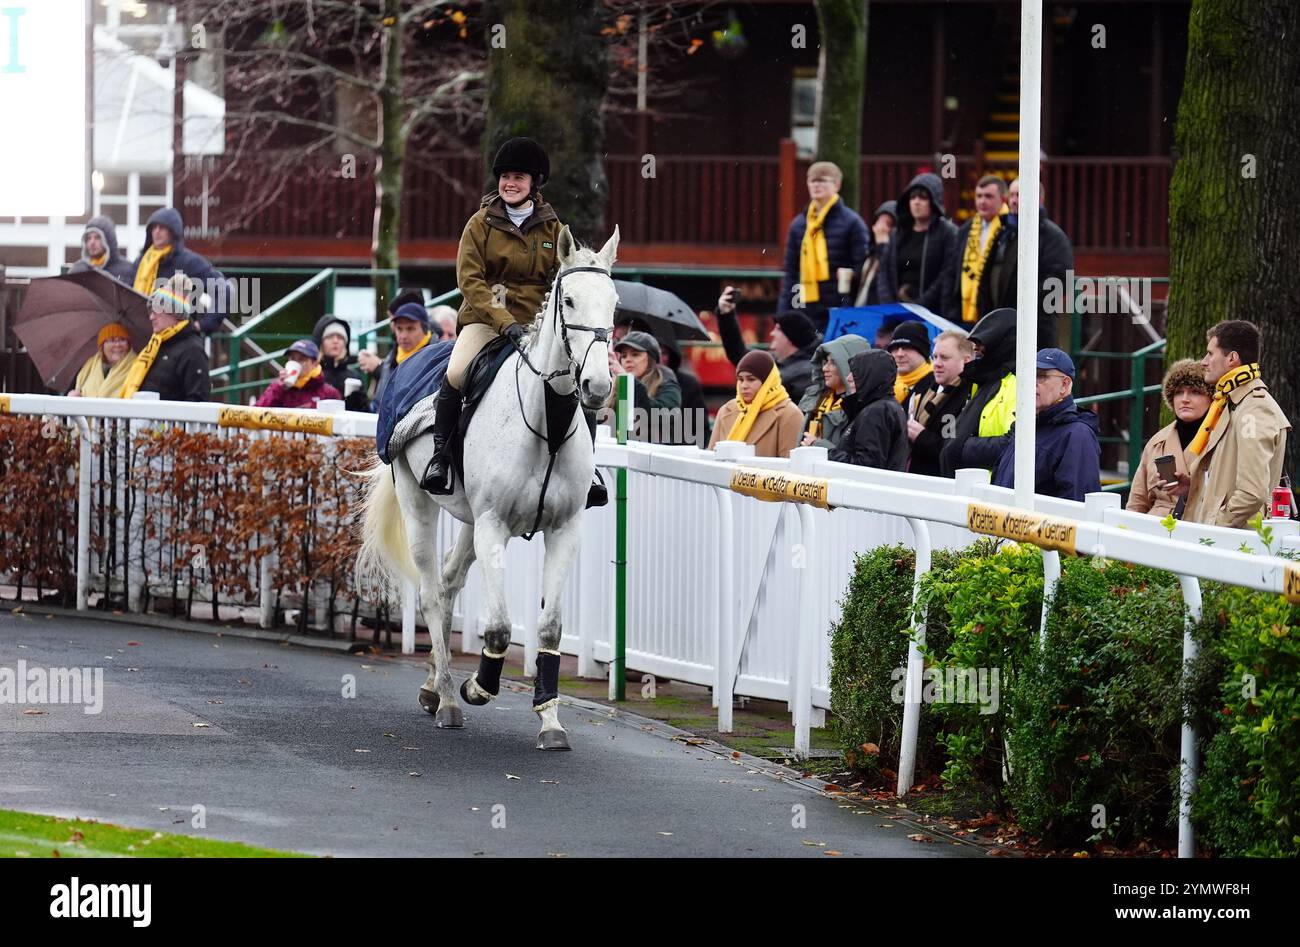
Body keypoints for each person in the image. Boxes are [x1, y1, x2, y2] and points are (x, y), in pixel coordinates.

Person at [419, 138, 600, 500]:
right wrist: (504, 322)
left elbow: (565, 279)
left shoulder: (553, 228)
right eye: (504, 177)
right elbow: (469, 281)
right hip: (486, 321)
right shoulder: (479, 224)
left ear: (535, 183)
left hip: (538, 325)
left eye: (518, 177)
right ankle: (440, 457)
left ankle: (588, 469)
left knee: (576, 380)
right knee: (455, 373)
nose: (510, 183)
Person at [1164, 320, 1291, 528]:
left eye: (1210, 354)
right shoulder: (1229, 403)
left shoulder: (1254, 408)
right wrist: (1193, 487)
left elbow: (1252, 493)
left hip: (1233, 546)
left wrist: (1214, 529)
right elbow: (1226, 483)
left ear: (1232, 358)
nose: (1204, 362)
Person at [977, 177, 1075, 349]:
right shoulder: (1004, 233)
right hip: (1000, 328)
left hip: (1035, 330)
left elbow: (1059, 281)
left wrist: (1022, 308)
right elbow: (987, 277)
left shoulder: (1052, 237)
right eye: (1012, 195)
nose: (1014, 200)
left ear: (1039, 199)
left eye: (1020, 195)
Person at [991, 349, 1100, 501]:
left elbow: (1077, 503)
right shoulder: (1026, 427)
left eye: (1041, 376)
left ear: (1065, 384)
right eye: (1029, 374)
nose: (1032, 382)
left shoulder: (1077, 435)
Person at [776, 161, 870, 331]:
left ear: (837, 185)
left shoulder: (852, 222)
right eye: (812, 181)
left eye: (823, 180)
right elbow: (790, 271)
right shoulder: (799, 225)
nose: (817, 185)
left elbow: (862, 267)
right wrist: (783, 311)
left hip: (839, 305)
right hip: (804, 303)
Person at [1126, 359, 1212, 518]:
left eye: (1195, 391)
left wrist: (1192, 488)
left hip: (1200, 530)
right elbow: (1137, 503)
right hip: (1155, 530)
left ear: (1211, 398)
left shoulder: (1221, 438)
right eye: (1179, 392)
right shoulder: (1156, 442)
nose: (1185, 399)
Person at [939, 306, 1018, 477]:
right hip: (967, 487)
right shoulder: (981, 381)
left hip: (991, 493)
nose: (976, 349)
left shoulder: (1018, 385)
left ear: (1002, 343)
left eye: (982, 344)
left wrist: (963, 446)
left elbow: (1014, 444)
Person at [131, 207, 232, 334]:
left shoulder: (190, 262)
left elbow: (224, 290)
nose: (157, 232)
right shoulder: (141, 263)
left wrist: (203, 325)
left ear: (173, 232)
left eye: (162, 227)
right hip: (143, 336)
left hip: (178, 340)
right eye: (154, 227)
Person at [715, 287, 819, 403]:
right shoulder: (774, 359)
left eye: (778, 329)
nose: (772, 333)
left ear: (791, 338)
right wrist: (726, 314)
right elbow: (738, 353)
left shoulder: (808, 373)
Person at [876, 172, 958, 319]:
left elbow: (947, 274)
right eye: (912, 197)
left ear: (933, 201)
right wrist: (890, 306)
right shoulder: (898, 233)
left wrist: (921, 305)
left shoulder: (948, 233)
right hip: (897, 311)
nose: (916, 202)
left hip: (934, 312)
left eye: (922, 197)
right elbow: (884, 272)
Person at [118, 275, 211, 402]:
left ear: (174, 312)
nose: (151, 317)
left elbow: (199, 399)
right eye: (150, 312)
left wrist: (171, 420)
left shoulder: (193, 351)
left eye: (156, 310)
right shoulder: (155, 345)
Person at [707, 350, 803, 458]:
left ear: (768, 381)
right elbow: (710, 459)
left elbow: (789, 468)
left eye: (751, 379)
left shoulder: (789, 415)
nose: (744, 385)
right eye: (740, 379)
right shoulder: (726, 410)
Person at [906, 329, 974, 477]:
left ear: (966, 361)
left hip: (943, 482)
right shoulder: (926, 386)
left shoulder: (971, 396)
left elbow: (957, 450)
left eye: (944, 358)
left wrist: (921, 437)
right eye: (935, 357)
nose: (936, 364)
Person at [827, 349, 909, 470]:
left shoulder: (877, 411)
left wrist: (826, 452)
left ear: (871, 375)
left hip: (867, 487)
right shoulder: (888, 406)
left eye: (856, 373)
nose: (848, 378)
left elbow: (866, 466)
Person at [947, 175, 1009, 325]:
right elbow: (952, 271)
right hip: (965, 312)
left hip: (995, 310)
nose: (982, 201)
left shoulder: (1009, 228)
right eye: (979, 196)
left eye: (988, 196)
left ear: (1003, 199)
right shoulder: (967, 229)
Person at [798, 334, 872, 453]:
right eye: (825, 362)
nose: (825, 368)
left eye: (833, 362)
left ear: (850, 365)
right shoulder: (815, 397)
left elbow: (854, 459)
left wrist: (818, 445)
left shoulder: (862, 406)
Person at [612, 331, 682, 444]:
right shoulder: (614, 386)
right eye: (623, 356)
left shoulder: (667, 386)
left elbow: (662, 416)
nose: (627, 360)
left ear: (651, 358)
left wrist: (631, 383)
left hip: (653, 456)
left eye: (635, 354)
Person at [366, 302, 435, 409]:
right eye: (399, 329)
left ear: (425, 329)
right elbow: (378, 404)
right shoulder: (391, 359)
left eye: (410, 329)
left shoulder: (436, 360)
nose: (403, 336)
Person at [254, 339, 343, 410]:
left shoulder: (329, 393)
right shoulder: (278, 387)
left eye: (301, 359)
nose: (296, 363)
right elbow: (257, 413)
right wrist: (279, 387)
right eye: (292, 358)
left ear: (314, 363)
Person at [312, 315, 370, 412]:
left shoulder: (354, 377)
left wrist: (360, 404)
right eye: (330, 337)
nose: (335, 341)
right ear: (320, 342)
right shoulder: (312, 374)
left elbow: (364, 416)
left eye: (340, 337)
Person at [68, 322, 137, 398]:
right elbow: (72, 391)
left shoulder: (138, 366)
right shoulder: (90, 366)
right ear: (102, 346)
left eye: (122, 340)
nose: (117, 344)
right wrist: (73, 396)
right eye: (112, 340)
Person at [854, 201, 897, 307]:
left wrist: (884, 246)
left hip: (880, 311)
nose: (881, 229)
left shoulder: (895, 255)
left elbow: (888, 280)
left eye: (888, 224)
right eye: (879, 223)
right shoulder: (870, 252)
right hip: (862, 311)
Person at [69, 216, 135, 284]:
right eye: (89, 238)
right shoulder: (78, 270)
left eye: (97, 237)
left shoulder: (127, 271)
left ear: (109, 240)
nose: (92, 242)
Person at [885, 320, 934, 405]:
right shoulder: (885, 385)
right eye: (895, 348)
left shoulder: (936, 385)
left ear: (923, 352)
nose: (899, 354)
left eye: (906, 347)